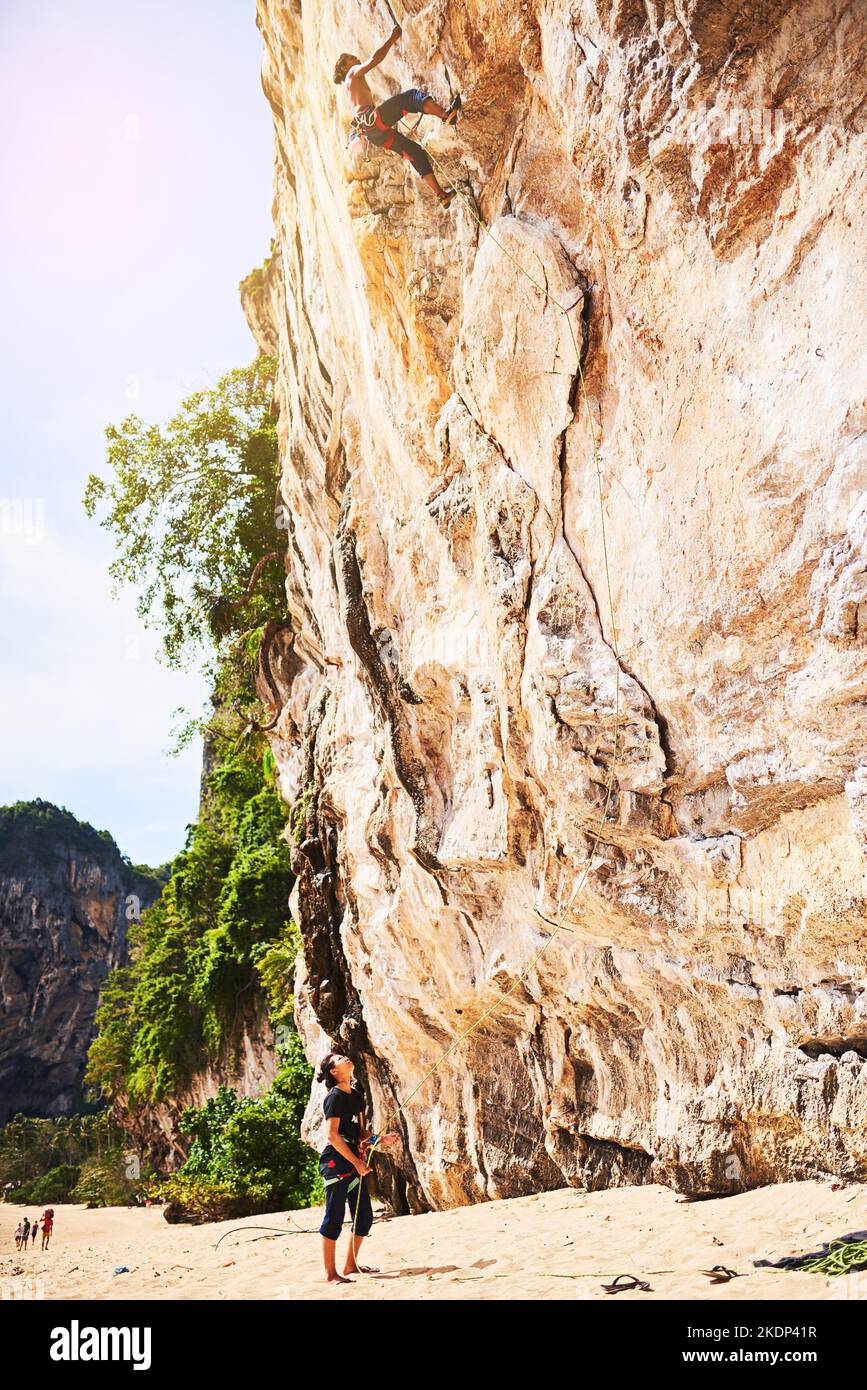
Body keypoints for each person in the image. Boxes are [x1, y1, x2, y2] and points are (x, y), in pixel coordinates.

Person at [334, 25, 461, 207]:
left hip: (372, 134)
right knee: (411, 98)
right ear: (345, 66)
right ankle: (446, 115)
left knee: (414, 153)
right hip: (374, 121)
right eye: (351, 58)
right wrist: (392, 38)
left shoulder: (348, 92)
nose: (355, 58)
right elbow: (373, 60)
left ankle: (441, 195)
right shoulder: (353, 73)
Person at [316, 1052, 399, 1283]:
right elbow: (332, 1135)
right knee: (333, 1218)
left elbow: (360, 1133)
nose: (346, 1058)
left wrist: (380, 1141)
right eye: (340, 1058)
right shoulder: (334, 1098)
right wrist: (356, 1162)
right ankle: (331, 1275)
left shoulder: (356, 1096)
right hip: (336, 1161)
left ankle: (350, 1266)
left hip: (354, 1158)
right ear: (334, 1071)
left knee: (363, 1218)